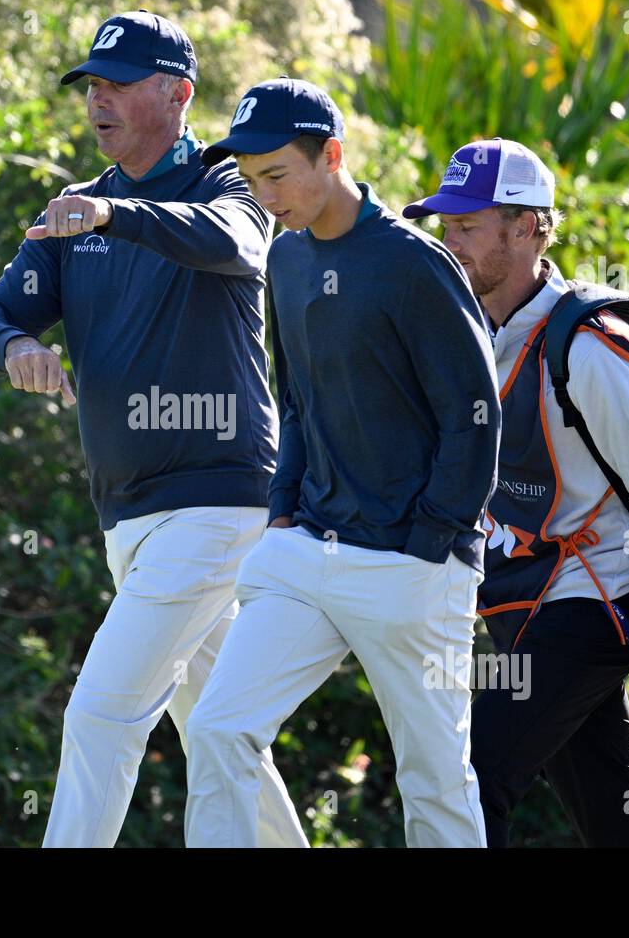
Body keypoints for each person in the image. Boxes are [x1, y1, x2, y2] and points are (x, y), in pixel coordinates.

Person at [0, 11, 305, 848]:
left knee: (103, 712)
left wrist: (116, 219)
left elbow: (236, 246)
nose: (97, 102)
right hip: (128, 518)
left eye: (117, 85)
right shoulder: (76, 212)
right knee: (222, 735)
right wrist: (15, 350)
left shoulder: (225, 185)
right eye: (91, 87)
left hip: (219, 503)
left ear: (177, 94)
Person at [402, 138, 629, 846]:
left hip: (601, 598)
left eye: (468, 225)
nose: (450, 240)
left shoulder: (589, 350)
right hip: (527, 602)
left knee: (469, 777)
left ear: (529, 228)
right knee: (615, 822)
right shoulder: (466, 336)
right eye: (446, 224)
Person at [183, 78, 501, 848]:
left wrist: (432, 540)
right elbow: (293, 401)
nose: (265, 197)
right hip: (305, 552)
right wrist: (283, 514)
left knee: (434, 782)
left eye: (277, 175)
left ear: (332, 155)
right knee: (219, 730)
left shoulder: (415, 264)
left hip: (414, 567)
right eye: (251, 180)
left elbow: (476, 413)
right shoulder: (284, 261)